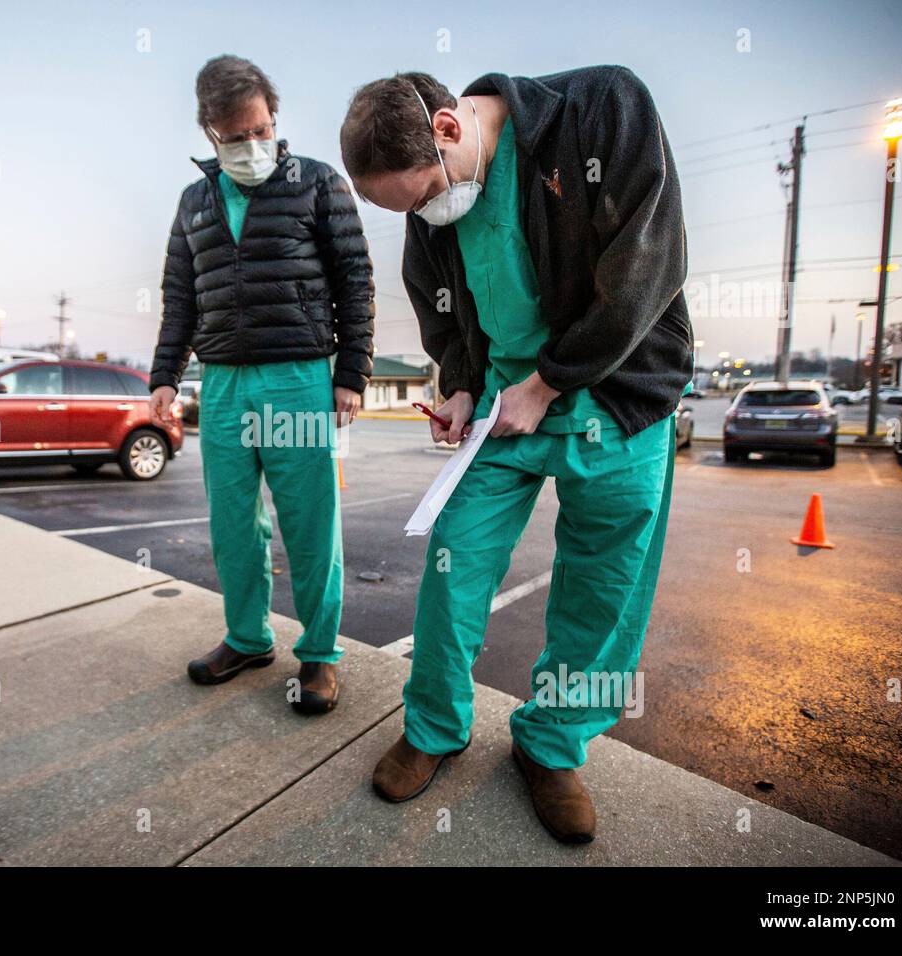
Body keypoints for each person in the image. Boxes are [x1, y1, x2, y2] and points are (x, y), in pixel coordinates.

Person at [339, 65, 692, 841]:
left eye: (424, 197)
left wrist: (549, 382)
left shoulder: (601, 108)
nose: (426, 218)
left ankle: (552, 744)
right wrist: (462, 386)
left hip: (613, 396)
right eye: (408, 211)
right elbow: (443, 312)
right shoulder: (427, 205)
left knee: (603, 588)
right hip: (502, 410)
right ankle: (435, 726)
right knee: (453, 560)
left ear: (450, 127)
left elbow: (647, 266)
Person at [151, 55, 374, 714]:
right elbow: (178, 297)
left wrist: (352, 371)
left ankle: (320, 656)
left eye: (262, 129)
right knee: (232, 527)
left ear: (275, 120)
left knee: (309, 526)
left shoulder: (318, 183)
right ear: (210, 133)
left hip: (298, 378)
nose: (254, 145)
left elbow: (354, 279)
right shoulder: (194, 201)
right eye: (236, 135)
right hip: (219, 384)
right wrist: (165, 374)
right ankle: (247, 637)